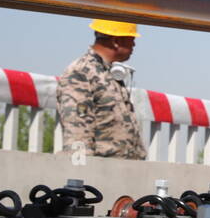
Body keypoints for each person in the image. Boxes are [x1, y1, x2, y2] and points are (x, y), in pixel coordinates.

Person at [57, 19, 147, 160]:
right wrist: (83, 174)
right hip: (101, 173)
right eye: (131, 39)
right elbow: (77, 131)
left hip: (120, 171)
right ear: (116, 41)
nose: (134, 44)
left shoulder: (106, 73)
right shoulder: (81, 72)